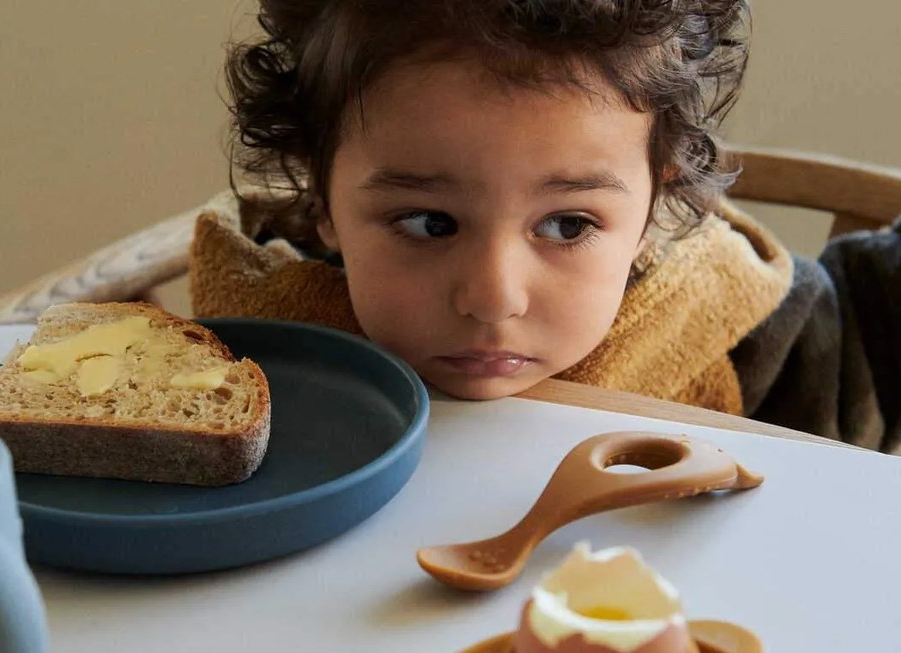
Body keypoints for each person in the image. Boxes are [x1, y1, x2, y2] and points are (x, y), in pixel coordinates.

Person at [187, 0, 901, 451]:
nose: (495, 299)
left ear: (654, 211)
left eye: (566, 225)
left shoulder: (751, 330)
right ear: (322, 201)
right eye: (431, 222)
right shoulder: (251, 356)